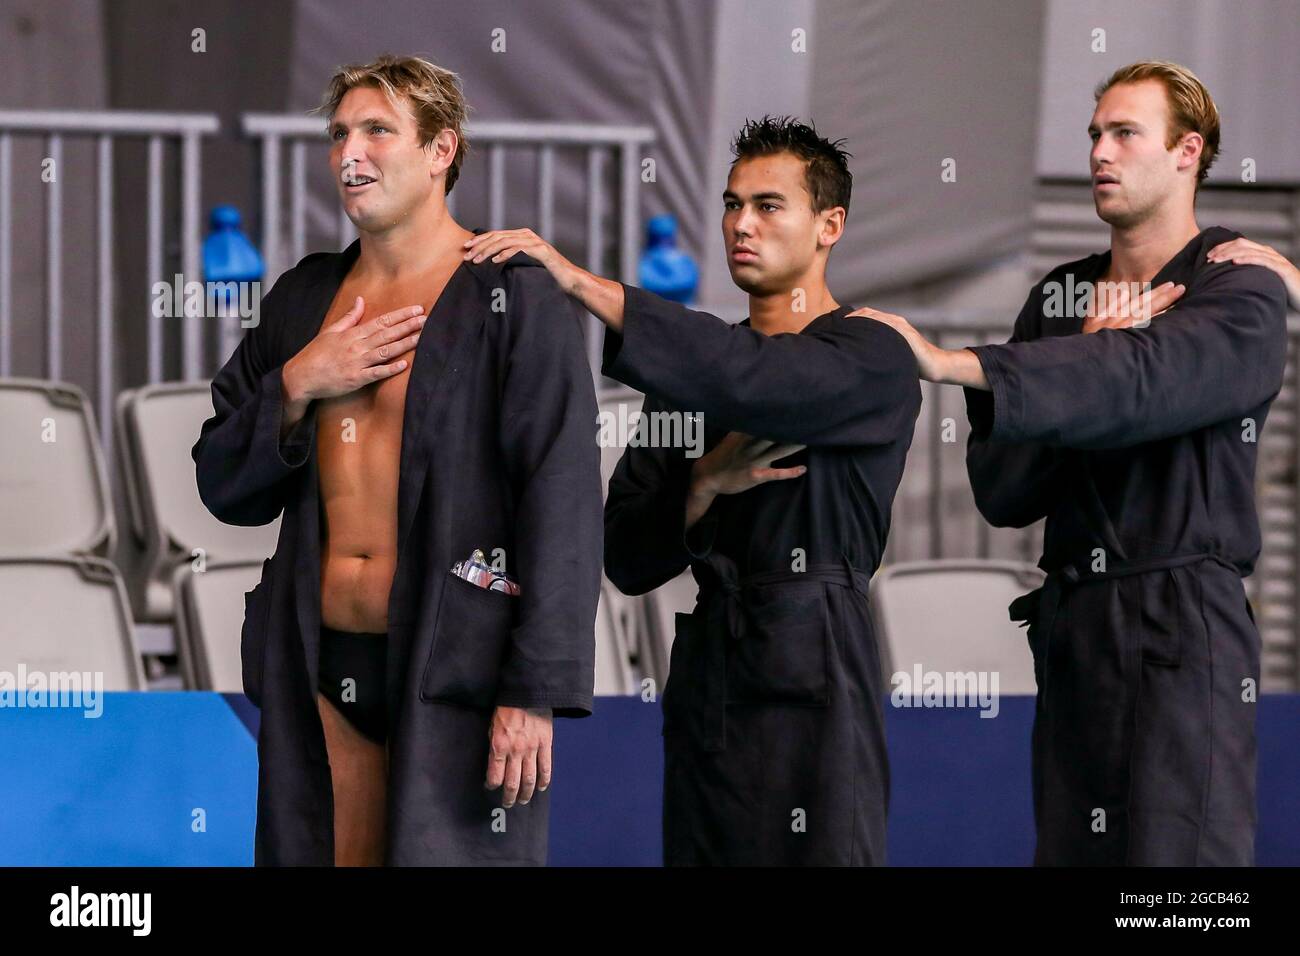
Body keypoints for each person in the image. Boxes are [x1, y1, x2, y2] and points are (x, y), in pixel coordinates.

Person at [852, 61, 1290, 865]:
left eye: (1126, 134)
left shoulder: (1238, 286)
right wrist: (1085, 346)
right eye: (1095, 134)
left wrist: (960, 364)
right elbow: (1004, 489)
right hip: (1077, 630)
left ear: (1187, 152)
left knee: (1179, 883)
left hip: (1185, 623)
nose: (1101, 153)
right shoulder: (1061, 298)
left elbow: (1148, 383)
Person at [468, 116, 921, 865]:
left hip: (821, 662)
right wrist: (703, 484)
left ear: (829, 225)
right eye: (732, 203)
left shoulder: (871, 350)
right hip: (713, 669)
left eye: (769, 205)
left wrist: (584, 283)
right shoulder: (691, 375)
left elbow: (763, 382)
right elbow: (625, 556)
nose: (741, 224)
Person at [192, 55, 601, 866]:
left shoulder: (512, 295)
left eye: (378, 130)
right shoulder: (306, 299)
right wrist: (301, 381)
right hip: (319, 660)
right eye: (340, 133)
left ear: (442, 150)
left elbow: (562, 495)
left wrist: (536, 688)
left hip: (460, 666)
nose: (352, 153)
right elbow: (220, 479)